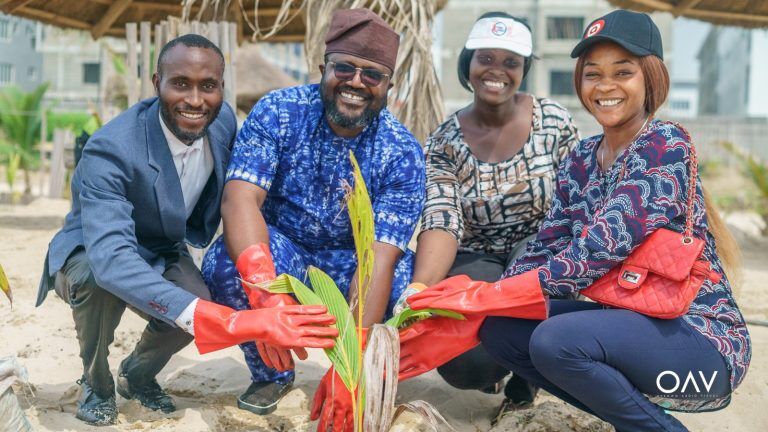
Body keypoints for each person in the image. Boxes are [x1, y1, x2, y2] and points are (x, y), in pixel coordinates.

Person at [400, 10, 751, 431]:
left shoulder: (664, 145)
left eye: (623, 72)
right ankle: (634, 419)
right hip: (629, 324)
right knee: (502, 332)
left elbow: (597, 249)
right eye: (592, 73)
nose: (605, 86)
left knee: (556, 341)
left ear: (651, 77)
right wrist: (482, 303)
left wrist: (482, 296)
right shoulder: (583, 158)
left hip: (699, 345)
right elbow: (547, 244)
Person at [37, 34, 338, 427]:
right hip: (92, 250)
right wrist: (233, 323)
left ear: (221, 88)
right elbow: (111, 259)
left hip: (163, 246)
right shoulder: (110, 150)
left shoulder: (223, 122)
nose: (195, 100)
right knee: (101, 283)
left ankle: (138, 374)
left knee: (199, 298)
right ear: (156, 83)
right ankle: (96, 383)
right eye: (180, 83)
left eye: (207, 86)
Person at [200, 8, 425, 420]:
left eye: (372, 75)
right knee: (225, 263)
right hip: (281, 252)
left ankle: (367, 374)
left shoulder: (402, 152)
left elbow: (380, 255)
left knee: (409, 285)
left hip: (351, 263)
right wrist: (264, 292)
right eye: (345, 68)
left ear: (388, 84)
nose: (356, 83)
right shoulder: (279, 111)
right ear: (323, 68)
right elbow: (240, 200)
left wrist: (352, 361)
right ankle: (272, 372)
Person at [407, 11, 578, 417]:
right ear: (468, 63)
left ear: (524, 70)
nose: (496, 71)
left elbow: (576, 202)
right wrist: (419, 289)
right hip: (477, 253)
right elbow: (442, 217)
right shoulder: (446, 141)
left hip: (540, 248)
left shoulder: (553, 123)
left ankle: (527, 379)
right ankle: (501, 363)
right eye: (486, 58)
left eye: (510, 62)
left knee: (535, 294)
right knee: (466, 368)